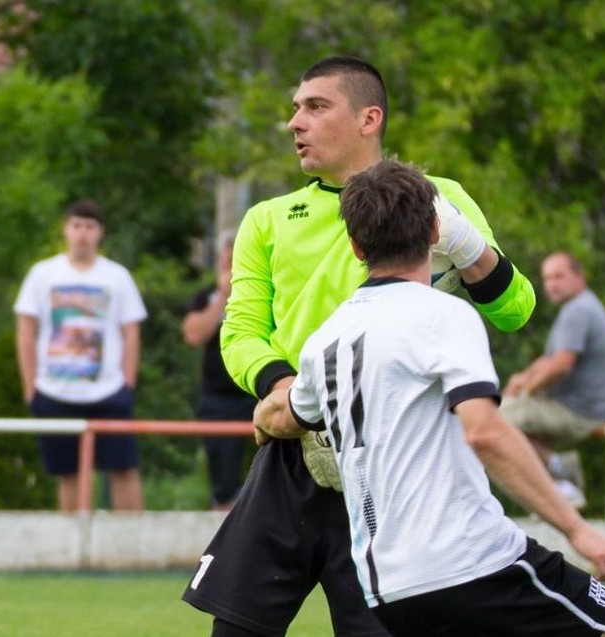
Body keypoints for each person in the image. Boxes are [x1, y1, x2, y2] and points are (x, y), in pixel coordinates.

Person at [182, 56, 537, 637]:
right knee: (236, 631)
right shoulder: (267, 219)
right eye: (295, 108)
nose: (295, 122)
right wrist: (285, 392)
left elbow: (515, 309)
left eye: (316, 107)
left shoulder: (436, 198)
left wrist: (467, 246)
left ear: (369, 119)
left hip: (393, 459)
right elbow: (240, 330)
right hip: (294, 452)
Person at [253, 159, 605, 637]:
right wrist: (577, 529)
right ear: (434, 232)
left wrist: (262, 416)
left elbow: (285, 415)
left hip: (387, 590)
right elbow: (485, 432)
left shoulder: (326, 340)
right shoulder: (444, 316)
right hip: (472, 562)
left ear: (356, 246)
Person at [14, 198, 147, 513]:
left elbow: (131, 332)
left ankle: (132, 538)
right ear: (66, 229)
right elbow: (26, 330)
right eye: (77, 225)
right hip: (55, 390)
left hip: (108, 390)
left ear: (100, 232)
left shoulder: (116, 276)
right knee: (68, 472)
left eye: (90, 226)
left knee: (124, 468)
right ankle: (74, 539)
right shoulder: (43, 274)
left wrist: (127, 384)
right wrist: (31, 387)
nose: (83, 233)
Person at [501, 252, 605, 509]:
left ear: (579, 277)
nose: (552, 284)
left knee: (496, 419)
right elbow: (550, 360)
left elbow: (562, 365)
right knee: (503, 417)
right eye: (547, 279)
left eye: (558, 277)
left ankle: (560, 476)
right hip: (581, 408)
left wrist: (526, 391)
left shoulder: (578, 310)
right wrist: (523, 378)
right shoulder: (582, 306)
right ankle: (558, 478)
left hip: (578, 412)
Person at [182, 229, 256, 511]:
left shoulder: (265, 292)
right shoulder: (206, 296)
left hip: (258, 389)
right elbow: (193, 335)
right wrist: (224, 295)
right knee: (223, 481)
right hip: (221, 398)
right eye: (228, 259)